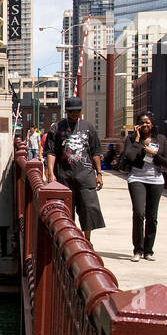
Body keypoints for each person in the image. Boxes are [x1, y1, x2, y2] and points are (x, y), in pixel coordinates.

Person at [44, 97, 105, 243]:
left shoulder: (88, 127)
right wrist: (51, 174)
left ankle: (87, 240)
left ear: (80, 111)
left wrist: (99, 174)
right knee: (66, 211)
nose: (74, 114)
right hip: (64, 177)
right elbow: (50, 152)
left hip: (85, 177)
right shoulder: (56, 128)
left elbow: (96, 152)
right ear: (66, 111)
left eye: (77, 111)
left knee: (88, 210)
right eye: (71, 111)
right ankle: (69, 240)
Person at [120, 112, 167, 261]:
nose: (145, 125)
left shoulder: (160, 139)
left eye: (147, 122)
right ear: (137, 125)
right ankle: (137, 250)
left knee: (152, 217)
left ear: (152, 124)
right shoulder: (131, 139)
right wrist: (137, 139)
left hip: (156, 180)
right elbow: (129, 156)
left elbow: (166, 162)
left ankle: (148, 251)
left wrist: (154, 154)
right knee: (139, 213)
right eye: (142, 122)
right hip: (136, 178)